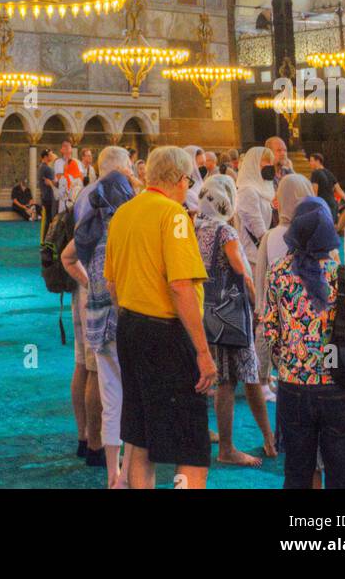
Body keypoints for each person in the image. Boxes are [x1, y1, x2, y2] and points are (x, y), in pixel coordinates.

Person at [104, 145, 216, 490]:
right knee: (192, 444)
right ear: (180, 180)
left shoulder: (124, 212)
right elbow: (181, 286)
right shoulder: (173, 215)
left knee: (142, 434)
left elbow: (111, 283)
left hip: (130, 327)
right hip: (167, 335)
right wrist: (201, 351)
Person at [263, 197, 345, 489]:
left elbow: (269, 332)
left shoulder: (277, 272)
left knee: (297, 474)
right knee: (341, 474)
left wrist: (289, 362)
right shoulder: (343, 277)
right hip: (337, 387)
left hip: (293, 388)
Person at [62, 145, 135, 487]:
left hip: (92, 307)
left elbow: (69, 254)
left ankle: (91, 447)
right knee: (121, 390)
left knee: (89, 370)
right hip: (122, 314)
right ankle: (114, 459)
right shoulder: (125, 215)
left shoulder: (86, 197)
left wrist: (90, 286)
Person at [195, 175, 277, 466]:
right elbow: (241, 273)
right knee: (232, 379)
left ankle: (267, 436)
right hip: (230, 316)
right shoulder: (224, 232)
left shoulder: (193, 226)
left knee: (244, 373)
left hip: (203, 311)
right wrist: (259, 305)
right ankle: (229, 448)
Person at [254, 173, 315, 392]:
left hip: (281, 315)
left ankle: (265, 381)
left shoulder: (271, 236)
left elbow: (262, 277)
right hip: (314, 317)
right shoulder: (316, 231)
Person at [235, 146, 276, 273]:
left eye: (271, 162)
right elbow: (258, 229)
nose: (270, 166)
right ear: (253, 164)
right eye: (265, 162)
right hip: (252, 257)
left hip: (261, 254)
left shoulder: (262, 189)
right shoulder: (248, 191)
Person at [308, 152, 345, 220]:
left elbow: (314, 193)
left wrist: (313, 208)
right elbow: (339, 190)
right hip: (333, 205)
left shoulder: (315, 173)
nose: (309, 163)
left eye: (311, 161)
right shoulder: (330, 173)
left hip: (323, 206)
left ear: (317, 161)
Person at [53, 139, 83, 212]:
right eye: (64, 146)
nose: (66, 148)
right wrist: (72, 176)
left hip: (75, 194)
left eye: (68, 146)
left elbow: (80, 178)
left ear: (71, 149)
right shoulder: (58, 162)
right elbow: (60, 177)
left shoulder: (77, 162)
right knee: (63, 215)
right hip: (64, 194)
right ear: (61, 150)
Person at [37, 148, 57, 236]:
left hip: (45, 196)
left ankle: (45, 240)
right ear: (45, 157)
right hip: (49, 197)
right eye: (51, 154)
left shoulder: (42, 167)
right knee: (50, 219)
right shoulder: (47, 169)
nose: (52, 156)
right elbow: (55, 182)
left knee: (48, 219)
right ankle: (47, 240)